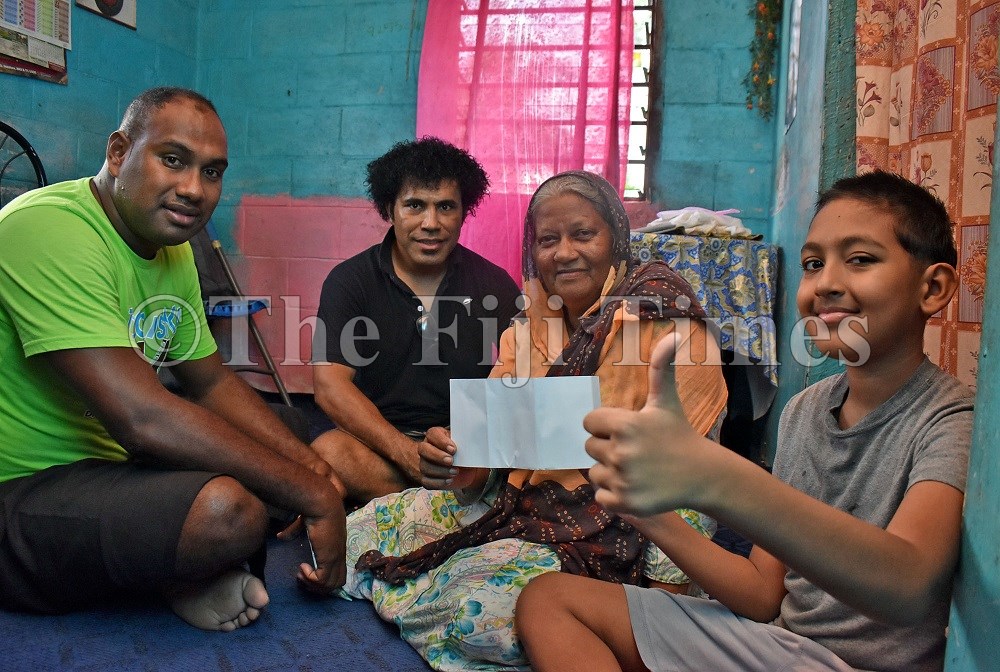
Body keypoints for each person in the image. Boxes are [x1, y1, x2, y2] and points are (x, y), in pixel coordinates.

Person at [515, 170, 974, 672]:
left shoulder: (951, 420)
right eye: (813, 264)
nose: (826, 283)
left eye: (860, 259)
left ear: (933, 288)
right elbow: (761, 595)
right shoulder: (805, 410)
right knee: (548, 601)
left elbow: (909, 588)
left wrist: (714, 477)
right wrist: (645, 513)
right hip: (779, 646)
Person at [338, 170, 729, 670]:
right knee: (361, 529)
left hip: (625, 525)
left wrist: (658, 610)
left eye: (583, 234)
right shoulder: (527, 327)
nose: (564, 253)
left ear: (615, 239)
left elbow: (695, 477)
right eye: (547, 240)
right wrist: (454, 455)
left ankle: (558, 611)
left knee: (479, 615)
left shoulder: (668, 324)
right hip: (519, 503)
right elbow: (487, 460)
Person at [0, 87, 347, 632]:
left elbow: (210, 383)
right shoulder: (48, 228)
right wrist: (315, 494)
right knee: (228, 512)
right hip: (25, 485)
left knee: (288, 430)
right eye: (173, 160)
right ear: (119, 153)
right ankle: (176, 574)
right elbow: (141, 418)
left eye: (212, 172)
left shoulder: (172, 248)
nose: (193, 189)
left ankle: (169, 558)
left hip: (113, 466)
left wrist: (307, 466)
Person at [311, 137, 521, 502]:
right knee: (329, 453)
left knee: (524, 453)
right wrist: (408, 455)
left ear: (464, 212)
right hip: (384, 442)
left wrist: (468, 439)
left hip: (463, 443)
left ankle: (438, 492)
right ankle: (452, 496)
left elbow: (530, 370)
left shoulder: (493, 282)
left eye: (446, 207)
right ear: (389, 210)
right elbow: (330, 386)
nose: (431, 223)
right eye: (414, 205)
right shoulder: (350, 281)